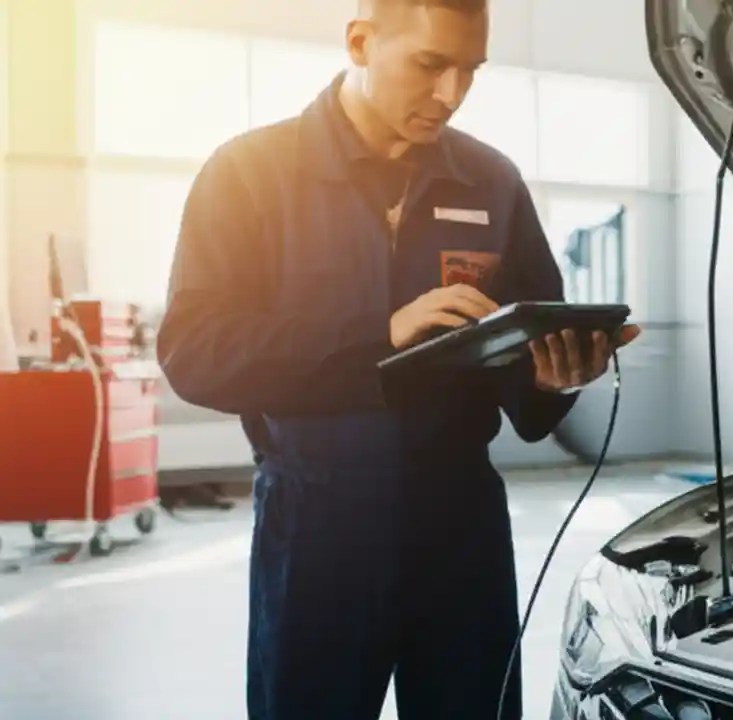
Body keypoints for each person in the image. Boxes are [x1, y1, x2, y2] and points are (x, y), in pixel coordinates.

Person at [156, 0, 640, 717]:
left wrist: (552, 380)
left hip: (460, 523)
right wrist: (379, 335)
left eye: (470, 70)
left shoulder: (491, 182)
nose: (451, 93)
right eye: (429, 65)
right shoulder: (250, 173)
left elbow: (527, 388)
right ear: (359, 42)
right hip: (318, 521)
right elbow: (195, 351)